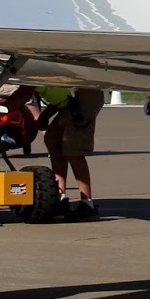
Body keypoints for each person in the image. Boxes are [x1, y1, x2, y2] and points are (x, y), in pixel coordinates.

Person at [35, 85, 106, 220]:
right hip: (70, 98)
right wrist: (44, 116)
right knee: (53, 140)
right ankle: (60, 198)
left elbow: (23, 95)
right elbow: (60, 99)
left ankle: (87, 204)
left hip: (82, 95)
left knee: (73, 149)